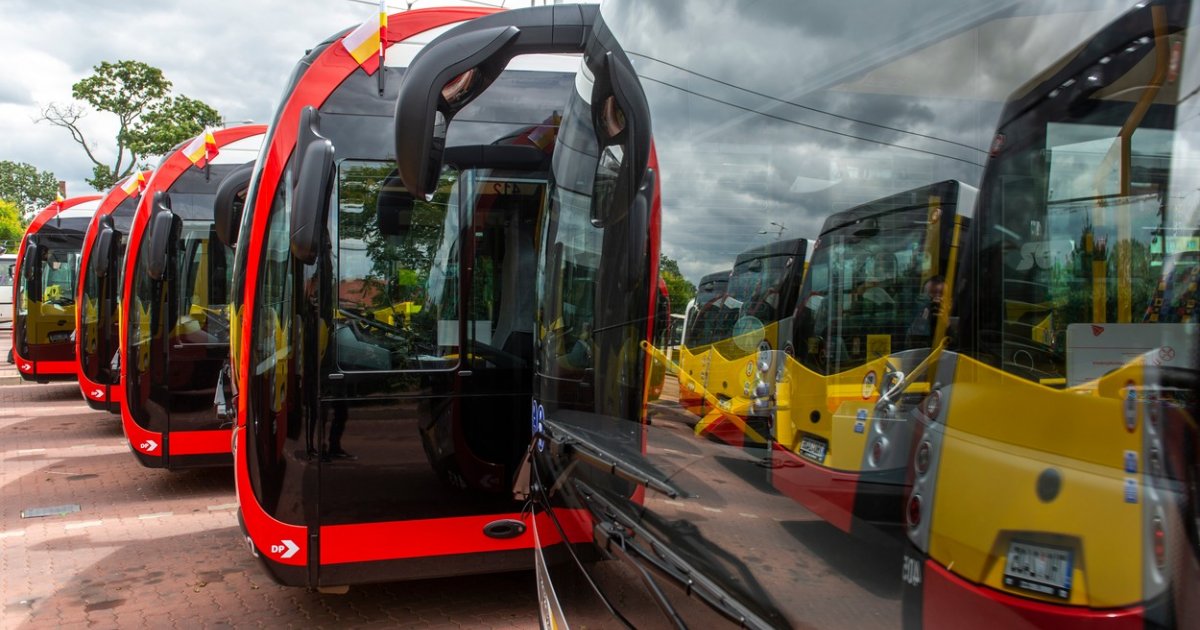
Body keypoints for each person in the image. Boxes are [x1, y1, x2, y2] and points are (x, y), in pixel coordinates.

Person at [907, 275, 945, 345]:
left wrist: (947, 324)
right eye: (930, 295)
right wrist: (921, 320)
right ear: (922, 298)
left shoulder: (959, 321)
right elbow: (911, 347)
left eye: (942, 295)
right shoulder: (916, 320)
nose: (936, 300)